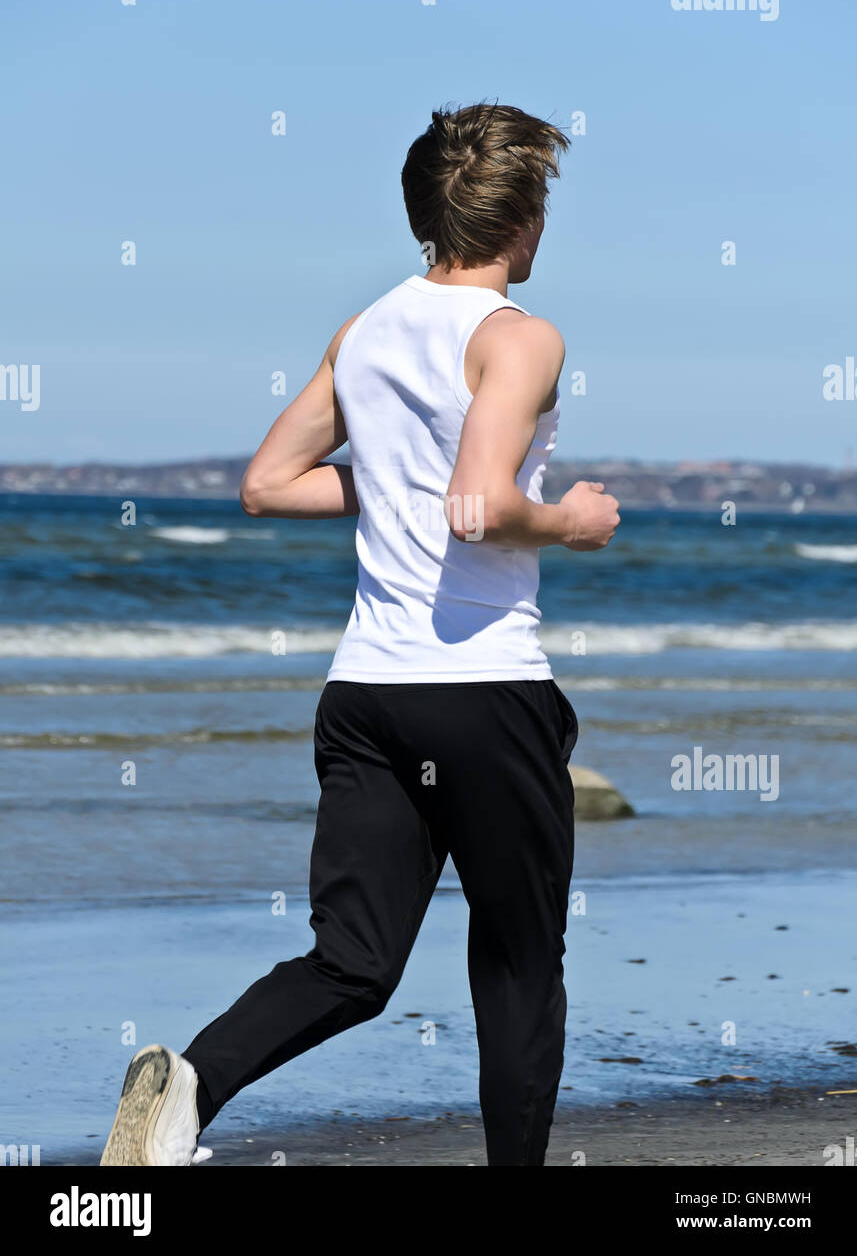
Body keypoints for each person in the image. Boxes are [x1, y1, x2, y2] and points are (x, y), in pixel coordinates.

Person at [100, 102, 620, 1168]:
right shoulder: (520, 338)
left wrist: (391, 485)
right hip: (483, 690)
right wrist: (570, 520)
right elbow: (479, 506)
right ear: (523, 219)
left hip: (366, 696)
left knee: (352, 961)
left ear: (425, 214)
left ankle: (189, 1086)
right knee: (519, 962)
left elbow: (267, 484)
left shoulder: (367, 330)